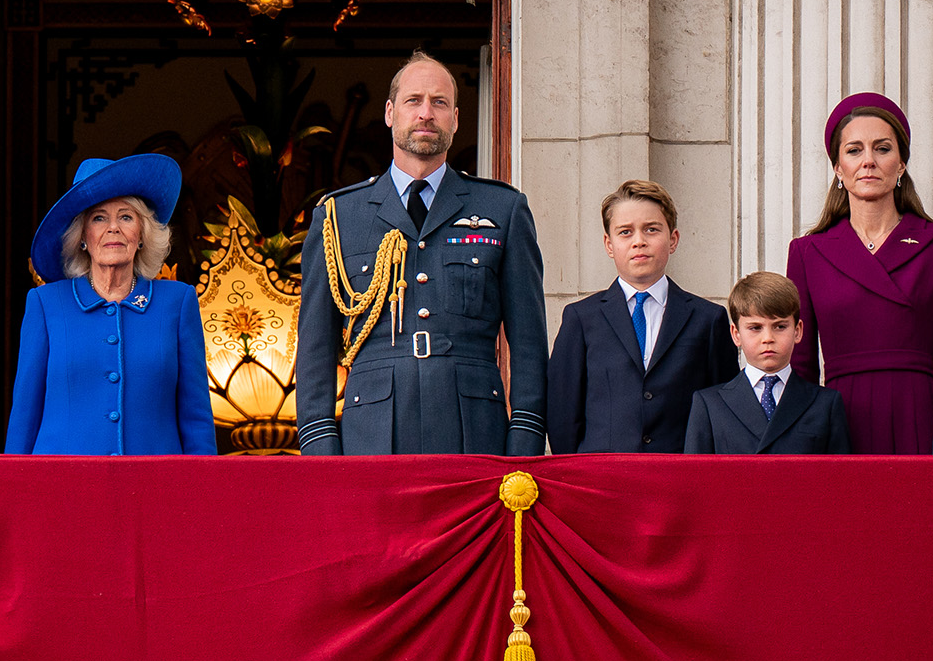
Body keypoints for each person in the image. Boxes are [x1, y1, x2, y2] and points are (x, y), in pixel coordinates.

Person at [296, 51, 547, 456]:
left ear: (456, 119)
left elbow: (530, 341)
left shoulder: (504, 209)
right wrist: (320, 443)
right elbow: (315, 345)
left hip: (475, 434)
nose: (426, 113)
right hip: (370, 437)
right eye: (414, 101)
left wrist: (526, 436)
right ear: (390, 113)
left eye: (440, 102)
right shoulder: (338, 216)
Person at [787, 92, 933, 454]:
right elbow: (802, 363)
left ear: (902, 163)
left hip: (921, 416)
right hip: (838, 420)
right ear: (838, 168)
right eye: (854, 150)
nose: (869, 161)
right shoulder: (807, 252)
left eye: (883, 149)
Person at [5, 154, 215, 455]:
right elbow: (25, 415)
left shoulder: (177, 303)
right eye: (99, 217)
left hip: (156, 489)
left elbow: (196, 419)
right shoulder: (46, 304)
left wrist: (205, 492)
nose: (113, 228)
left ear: (141, 234)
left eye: (126, 217)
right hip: (62, 490)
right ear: (83, 237)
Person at [546, 180, 736, 453]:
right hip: (601, 480)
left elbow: (721, 411)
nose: (639, 241)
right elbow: (563, 412)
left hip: (679, 479)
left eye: (651, 229)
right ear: (609, 244)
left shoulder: (708, 319)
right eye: (625, 232)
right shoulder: (581, 318)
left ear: (673, 239)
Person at [685, 271, 850, 454]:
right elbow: (696, 478)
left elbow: (838, 478)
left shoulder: (825, 404)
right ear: (736, 334)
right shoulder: (709, 404)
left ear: (798, 331)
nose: (768, 338)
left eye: (780, 326)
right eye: (755, 328)